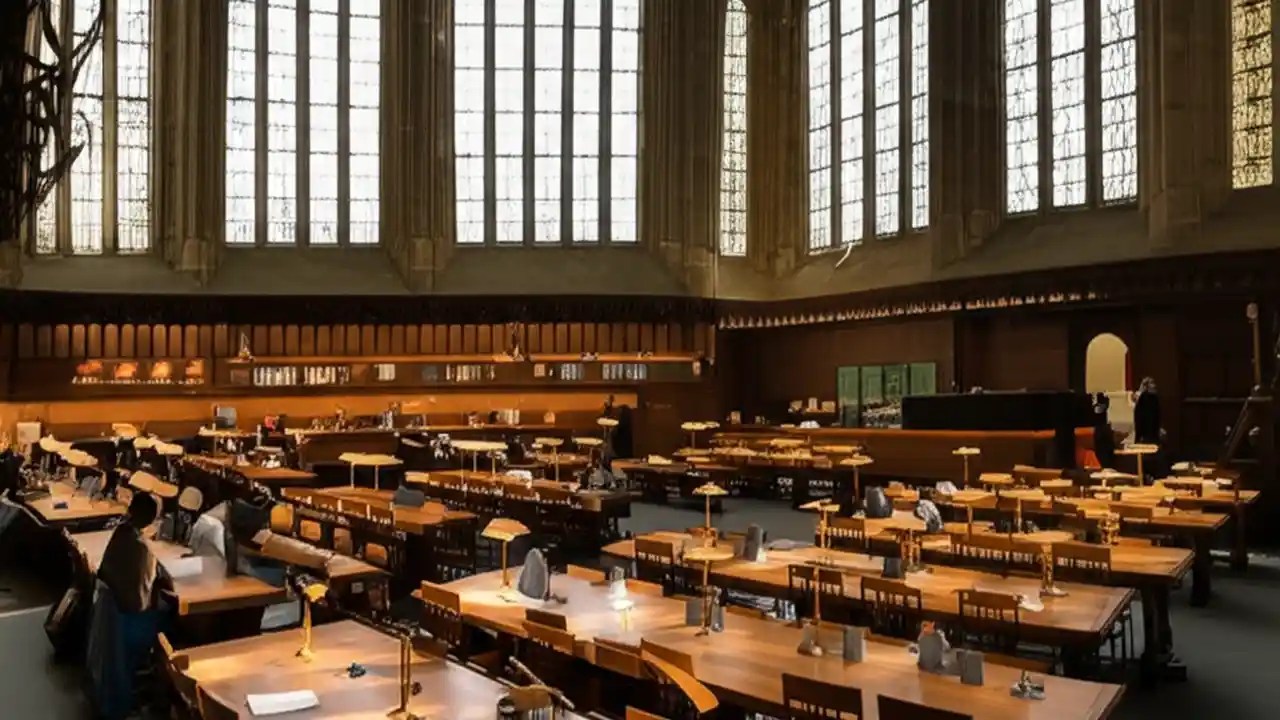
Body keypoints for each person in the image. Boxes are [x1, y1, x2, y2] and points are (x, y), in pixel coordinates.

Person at [1131, 377, 1161, 446]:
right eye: (1152, 383)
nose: (1154, 385)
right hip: (1148, 433)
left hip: (1146, 433)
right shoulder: (1149, 399)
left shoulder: (1149, 398)